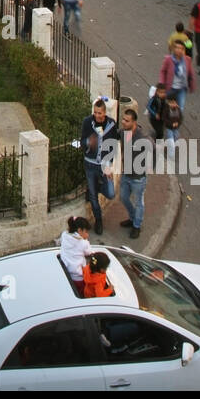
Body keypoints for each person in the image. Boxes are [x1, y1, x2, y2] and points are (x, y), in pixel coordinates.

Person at [80, 99, 118, 235]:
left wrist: (109, 165)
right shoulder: (87, 122)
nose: (97, 115)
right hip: (90, 164)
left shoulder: (111, 124)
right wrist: (88, 142)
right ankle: (98, 220)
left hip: (104, 166)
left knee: (111, 193)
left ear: (104, 112)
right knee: (94, 198)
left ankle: (94, 189)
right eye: (95, 112)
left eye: (100, 113)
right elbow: (82, 141)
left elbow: (113, 146)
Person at [117, 108, 148, 240]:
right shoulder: (124, 132)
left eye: (127, 120)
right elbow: (113, 133)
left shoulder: (141, 136)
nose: (123, 122)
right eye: (123, 119)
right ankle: (133, 217)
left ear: (134, 122)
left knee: (139, 202)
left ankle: (136, 225)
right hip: (126, 174)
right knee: (123, 197)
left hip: (138, 177)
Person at [158, 40, 195, 117]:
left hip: (181, 89)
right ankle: (165, 119)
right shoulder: (168, 59)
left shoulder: (187, 60)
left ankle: (174, 124)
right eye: (177, 48)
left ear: (183, 50)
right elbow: (163, 71)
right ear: (173, 49)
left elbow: (191, 74)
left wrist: (192, 86)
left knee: (180, 108)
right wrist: (161, 83)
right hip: (170, 88)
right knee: (166, 105)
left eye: (181, 48)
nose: (179, 50)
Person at [59, 216, 93, 282]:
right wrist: (85, 239)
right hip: (77, 275)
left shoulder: (64, 234)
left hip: (66, 269)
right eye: (86, 231)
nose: (87, 234)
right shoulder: (83, 243)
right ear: (79, 230)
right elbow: (88, 252)